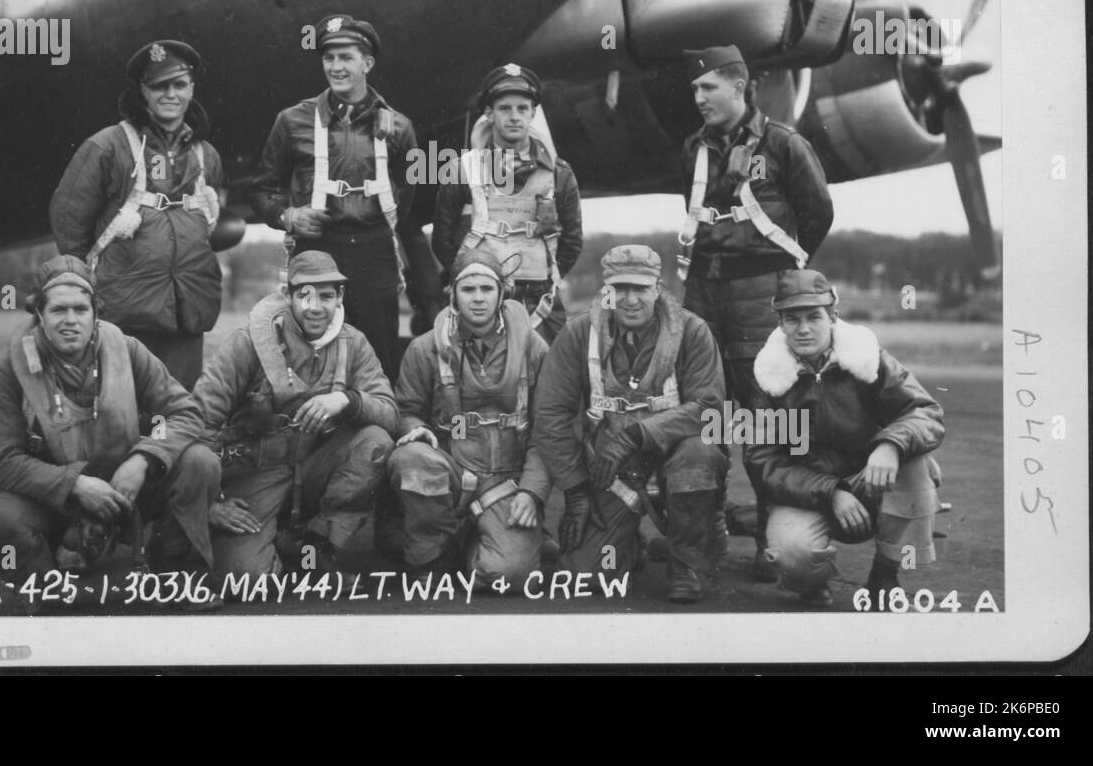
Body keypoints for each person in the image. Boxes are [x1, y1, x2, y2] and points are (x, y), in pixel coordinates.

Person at [675, 44, 834, 579]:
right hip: (702, 297)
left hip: (758, 297)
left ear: (739, 86)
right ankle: (708, 533)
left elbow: (816, 215)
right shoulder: (692, 148)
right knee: (705, 415)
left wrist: (775, 273)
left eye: (707, 88)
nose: (697, 97)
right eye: (694, 89)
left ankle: (773, 539)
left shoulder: (785, 145)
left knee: (770, 415)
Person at [0, 257, 217, 601]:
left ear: (95, 313)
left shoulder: (127, 349)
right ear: (39, 315)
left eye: (80, 309)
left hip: (128, 488)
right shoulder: (6, 369)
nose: (70, 320)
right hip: (57, 501)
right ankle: (45, 590)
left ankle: (177, 575)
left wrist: (144, 459)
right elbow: (3, 461)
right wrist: (75, 485)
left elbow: (185, 412)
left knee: (199, 462)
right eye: (58, 310)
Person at [533, 245, 728, 602]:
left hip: (675, 455)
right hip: (612, 467)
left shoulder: (693, 331)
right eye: (620, 288)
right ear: (605, 291)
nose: (630, 299)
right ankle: (627, 542)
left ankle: (687, 559)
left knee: (698, 455)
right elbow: (550, 414)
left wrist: (639, 434)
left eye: (640, 288)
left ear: (658, 289)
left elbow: (709, 408)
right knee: (584, 576)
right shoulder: (579, 333)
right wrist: (575, 491)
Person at [745, 270, 946, 607]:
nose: (804, 328)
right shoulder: (769, 376)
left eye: (814, 317)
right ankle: (814, 581)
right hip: (810, 493)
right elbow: (764, 461)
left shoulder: (867, 358)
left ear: (833, 317)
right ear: (780, 323)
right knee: (792, 555)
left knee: (915, 459)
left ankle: (885, 574)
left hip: (872, 479)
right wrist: (831, 492)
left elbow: (925, 410)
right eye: (792, 319)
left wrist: (890, 445)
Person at [194, 251, 399, 579]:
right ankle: (277, 546)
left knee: (375, 441)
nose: (315, 306)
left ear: (340, 297)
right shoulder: (248, 343)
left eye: (326, 296)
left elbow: (390, 413)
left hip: (316, 468)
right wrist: (210, 504)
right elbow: (200, 421)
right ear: (287, 296)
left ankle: (316, 544)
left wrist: (346, 400)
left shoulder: (354, 344)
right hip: (255, 474)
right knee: (245, 580)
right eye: (304, 295)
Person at [50, 40, 228, 389]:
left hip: (186, 309)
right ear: (143, 91)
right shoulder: (107, 146)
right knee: (122, 413)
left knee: (178, 414)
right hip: (126, 312)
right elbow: (69, 221)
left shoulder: (207, 155)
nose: (170, 94)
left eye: (179, 85)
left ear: (191, 89)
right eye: (159, 86)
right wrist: (86, 286)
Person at [253, 15, 417, 380]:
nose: (336, 67)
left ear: (367, 63)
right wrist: (289, 217)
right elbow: (264, 191)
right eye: (329, 58)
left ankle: (377, 433)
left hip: (374, 253)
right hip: (315, 250)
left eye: (346, 57)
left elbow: (407, 195)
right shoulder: (292, 121)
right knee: (309, 357)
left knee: (378, 360)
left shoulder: (400, 128)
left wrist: (375, 218)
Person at [388, 247, 551, 588]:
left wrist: (533, 491)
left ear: (501, 293)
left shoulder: (533, 347)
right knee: (412, 459)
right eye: (468, 289)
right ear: (453, 296)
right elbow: (406, 409)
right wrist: (415, 429)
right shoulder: (425, 348)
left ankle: (472, 540)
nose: (478, 299)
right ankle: (431, 554)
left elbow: (552, 427)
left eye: (487, 289)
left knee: (508, 577)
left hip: (508, 480)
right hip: (450, 469)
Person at [432, 63, 582, 343]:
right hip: (480, 295)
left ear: (533, 113)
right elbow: (442, 239)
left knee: (551, 378)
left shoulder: (559, 174)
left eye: (522, 109)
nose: (515, 117)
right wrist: (472, 279)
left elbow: (572, 240)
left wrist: (544, 272)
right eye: (504, 108)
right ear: (489, 113)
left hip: (540, 298)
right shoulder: (461, 170)